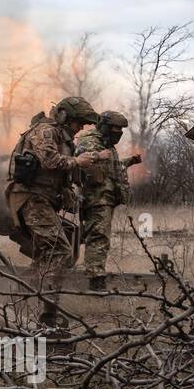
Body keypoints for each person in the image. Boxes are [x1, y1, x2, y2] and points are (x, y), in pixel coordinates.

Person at [6, 96, 108, 332]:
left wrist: (65, 192)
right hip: (30, 198)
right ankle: (48, 315)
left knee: (47, 254)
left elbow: (54, 174)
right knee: (59, 250)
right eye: (77, 123)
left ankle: (27, 303)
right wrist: (81, 160)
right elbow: (50, 161)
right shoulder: (46, 131)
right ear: (63, 116)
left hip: (42, 199)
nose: (80, 128)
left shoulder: (62, 137)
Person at [75, 111, 137, 292]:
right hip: (96, 198)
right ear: (103, 126)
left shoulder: (107, 144)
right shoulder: (90, 141)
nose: (118, 132)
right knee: (98, 237)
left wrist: (130, 161)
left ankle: (94, 274)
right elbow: (88, 163)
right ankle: (96, 280)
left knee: (98, 236)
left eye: (120, 129)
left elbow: (111, 167)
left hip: (105, 198)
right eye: (114, 128)